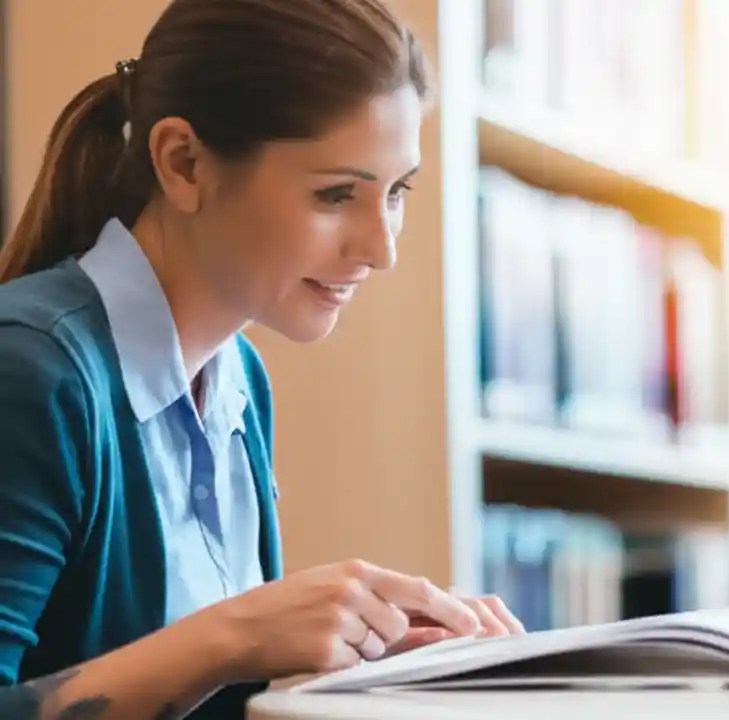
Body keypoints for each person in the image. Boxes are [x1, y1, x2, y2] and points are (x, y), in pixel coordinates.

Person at [0, 0, 522, 718]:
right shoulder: (33, 370)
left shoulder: (239, 378)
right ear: (182, 163)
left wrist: (361, 656)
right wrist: (239, 635)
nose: (382, 249)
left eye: (396, 192)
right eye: (337, 193)